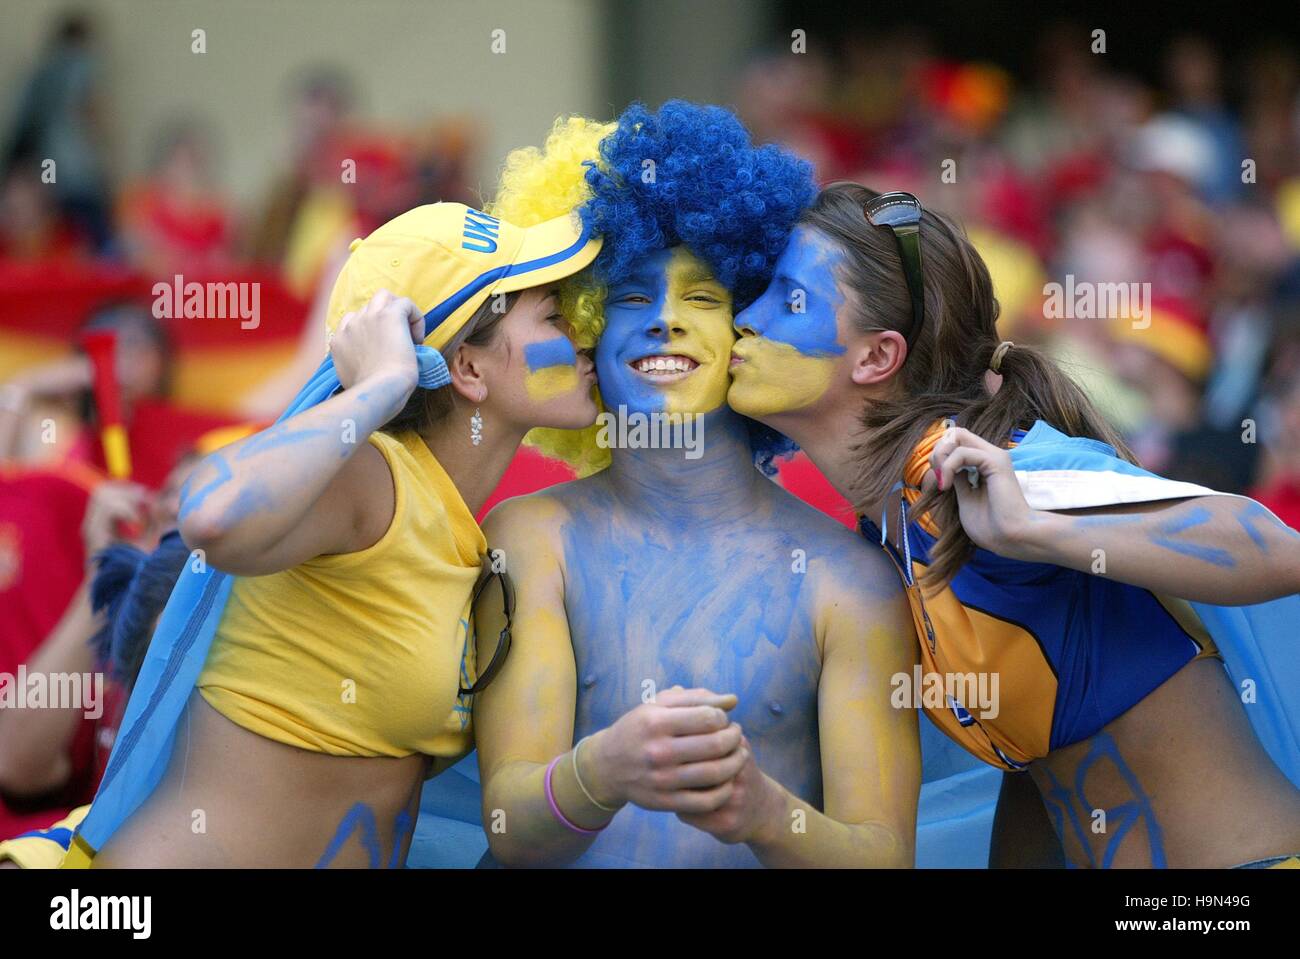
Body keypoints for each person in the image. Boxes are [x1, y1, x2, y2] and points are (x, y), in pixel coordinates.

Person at [727, 181, 1300, 868]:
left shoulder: (998, 468)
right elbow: (1038, 767)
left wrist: (1038, 531)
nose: (744, 319)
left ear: (877, 356)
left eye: (786, 299)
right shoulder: (889, 528)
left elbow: (1275, 547)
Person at [65, 201, 603, 867]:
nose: (584, 334)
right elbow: (211, 518)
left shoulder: (460, 524)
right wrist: (381, 383)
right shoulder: (369, 476)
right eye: (553, 315)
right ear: (466, 366)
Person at [472, 104, 920, 868]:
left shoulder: (851, 579)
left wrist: (766, 813)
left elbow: (885, 857)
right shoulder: (528, 537)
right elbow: (510, 830)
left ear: (752, 332)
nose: (666, 323)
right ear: (583, 338)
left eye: (705, 298)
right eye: (631, 298)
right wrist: (602, 770)